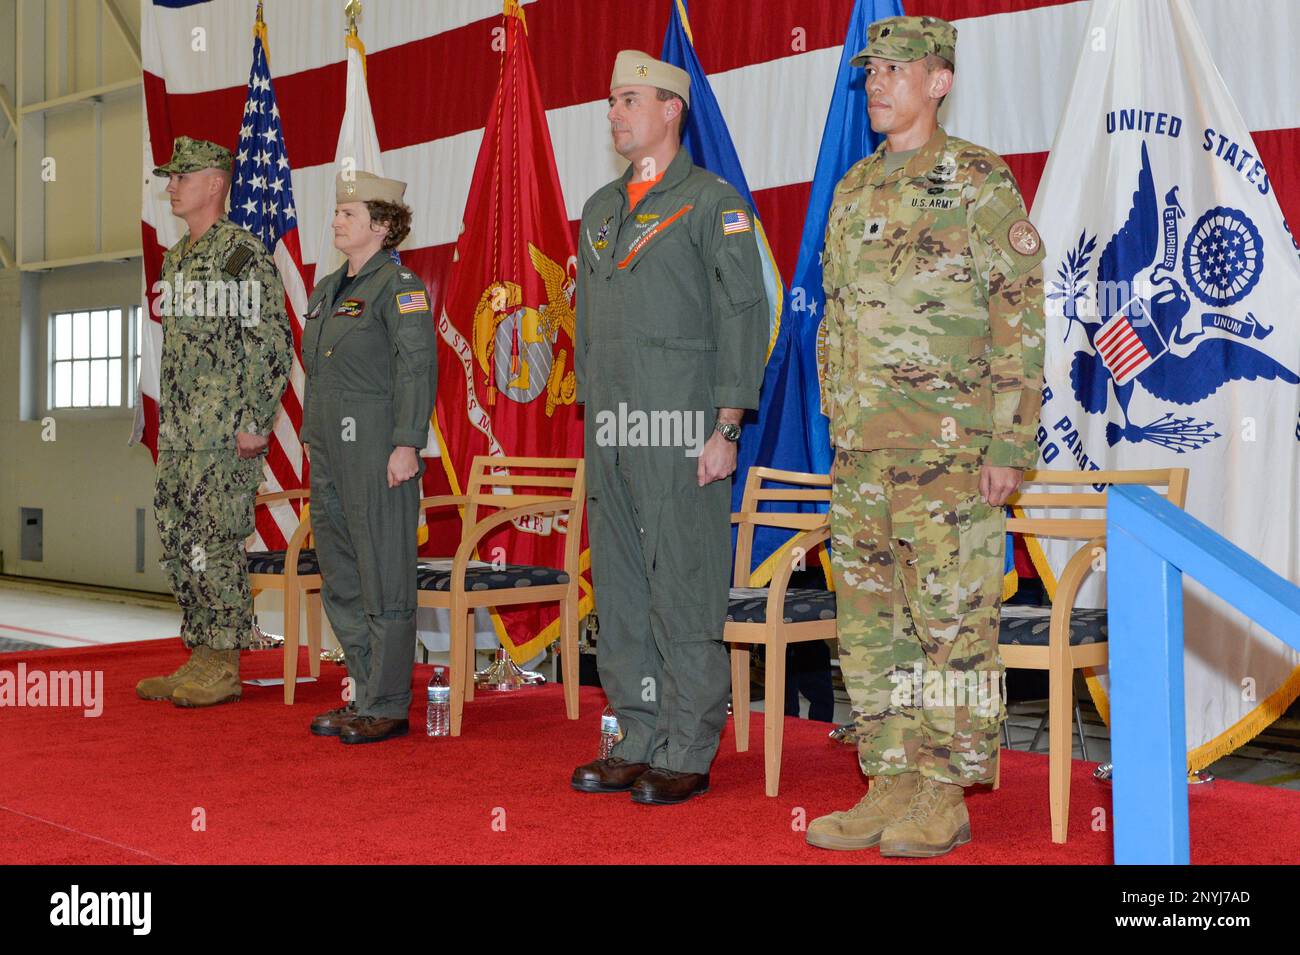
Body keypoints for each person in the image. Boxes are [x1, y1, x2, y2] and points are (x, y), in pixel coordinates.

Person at [806, 16, 1045, 857]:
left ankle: (946, 791)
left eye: (897, 70)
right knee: (874, 626)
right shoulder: (853, 187)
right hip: (864, 451)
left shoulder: (978, 179)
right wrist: (839, 423)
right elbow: (836, 320)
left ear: (938, 80)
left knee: (953, 625)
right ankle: (892, 777)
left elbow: (1018, 313)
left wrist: (1012, 445)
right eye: (872, 71)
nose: (877, 83)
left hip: (952, 452)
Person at [570, 51, 769, 805]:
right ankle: (636, 731)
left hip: (683, 425)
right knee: (621, 586)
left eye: (630, 100)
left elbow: (743, 315)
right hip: (614, 427)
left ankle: (687, 743)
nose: (615, 113)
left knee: (682, 583)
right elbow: (590, 326)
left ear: (671, 110)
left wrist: (726, 424)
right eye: (612, 101)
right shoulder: (600, 209)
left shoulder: (710, 202)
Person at [135, 137, 291, 708]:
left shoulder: (239, 254)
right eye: (170, 178)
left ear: (215, 184)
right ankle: (200, 652)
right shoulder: (178, 258)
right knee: (180, 541)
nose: (171, 186)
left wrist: (254, 421)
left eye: (182, 176)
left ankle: (224, 664)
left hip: (224, 435)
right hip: (181, 433)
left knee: (215, 541)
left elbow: (270, 341)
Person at [301, 171, 436, 744]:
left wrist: (407, 442)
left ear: (382, 227)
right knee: (341, 573)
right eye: (336, 212)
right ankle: (362, 690)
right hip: (329, 447)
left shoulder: (399, 286)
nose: (336, 220)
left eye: (348, 214)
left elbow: (416, 367)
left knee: (384, 575)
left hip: (379, 445)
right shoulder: (329, 286)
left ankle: (387, 701)